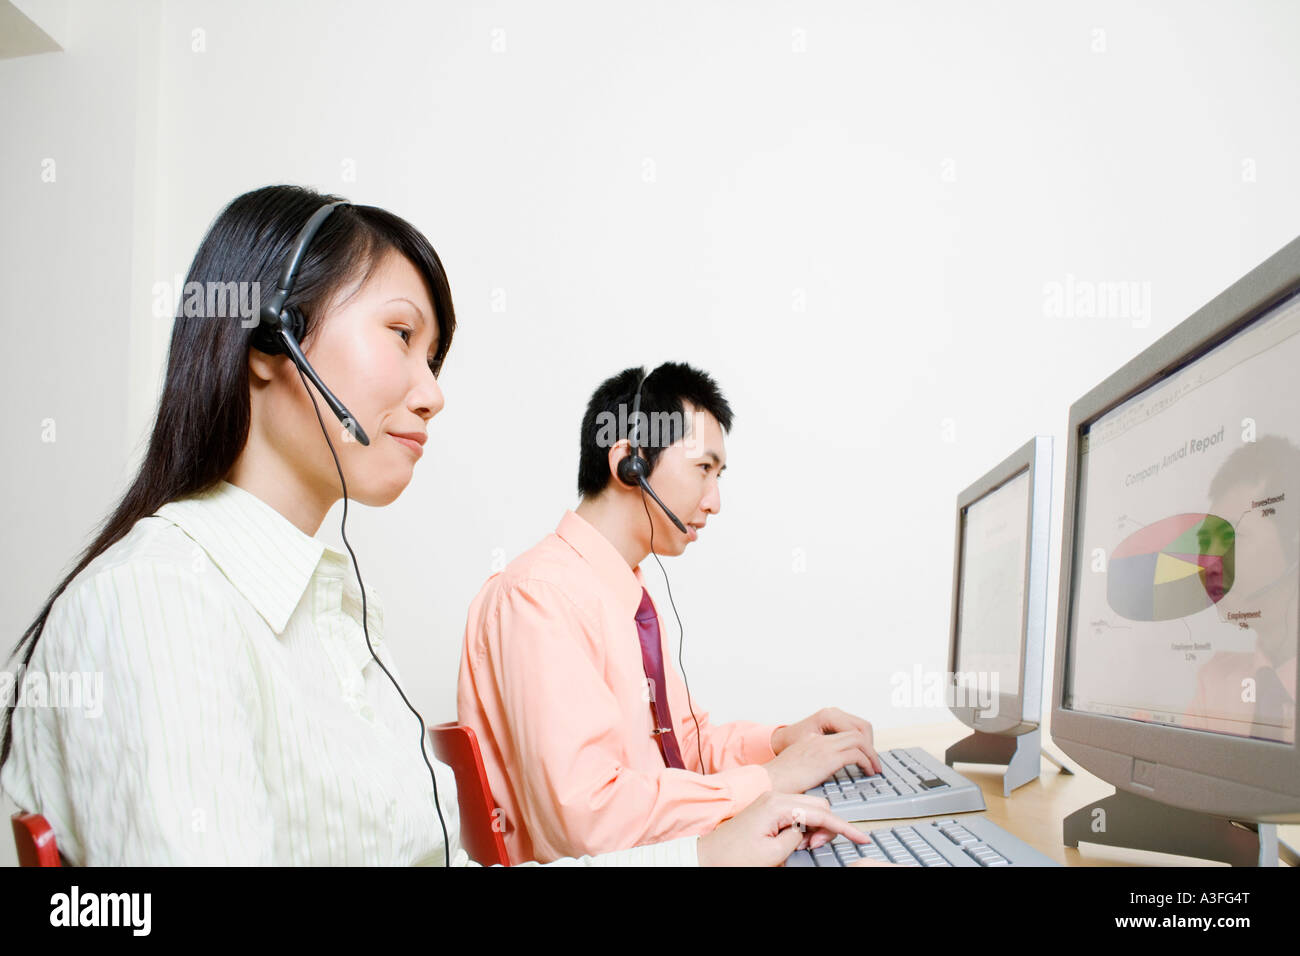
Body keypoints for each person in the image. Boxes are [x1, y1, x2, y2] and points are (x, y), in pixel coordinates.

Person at [0, 185, 865, 866]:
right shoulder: (162, 605)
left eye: (435, 356)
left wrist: (708, 850)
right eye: (402, 335)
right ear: (272, 341)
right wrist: (750, 796)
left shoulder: (331, 611)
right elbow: (588, 815)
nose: (434, 392)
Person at [459, 362, 882, 863]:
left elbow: (686, 748)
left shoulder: (622, 596)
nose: (716, 500)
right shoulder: (540, 599)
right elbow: (588, 822)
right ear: (629, 465)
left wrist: (782, 741)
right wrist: (770, 780)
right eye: (704, 468)